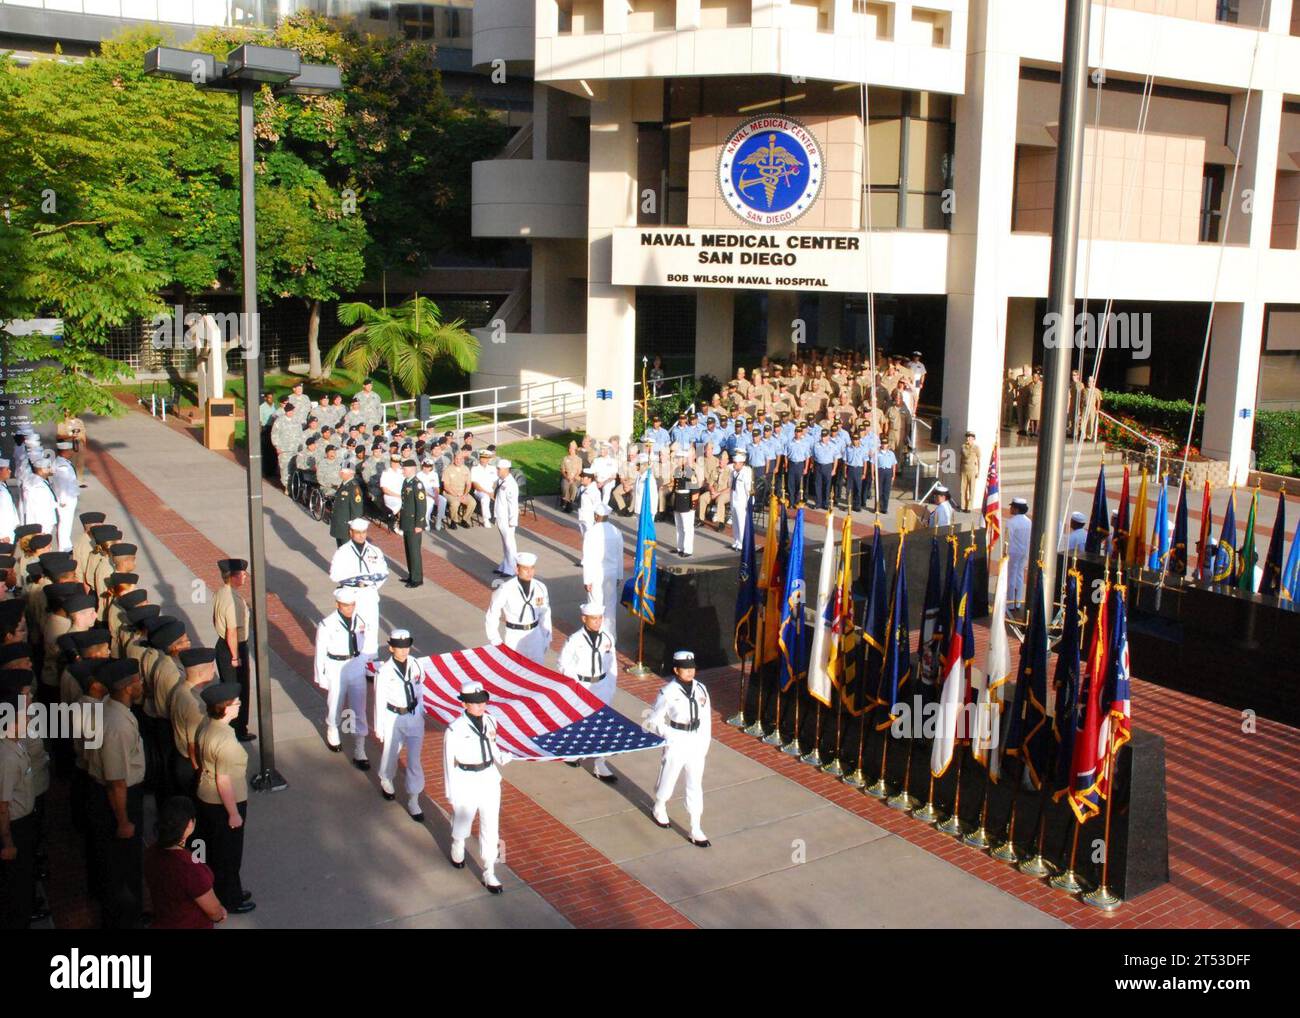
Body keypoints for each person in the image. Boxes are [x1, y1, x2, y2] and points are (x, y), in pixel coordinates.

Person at [86, 658, 146, 929]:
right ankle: (124, 921)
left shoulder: (111, 710)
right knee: (122, 867)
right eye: (138, 681)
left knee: (125, 864)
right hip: (118, 801)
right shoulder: (116, 725)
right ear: (128, 686)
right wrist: (123, 820)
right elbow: (116, 781)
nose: (142, 684)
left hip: (117, 794)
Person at [443, 681, 511, 893]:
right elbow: (448, 763)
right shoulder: (455, 729)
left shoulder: (491, 720)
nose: (481, 706)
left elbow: (493, 746)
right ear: (464, 704)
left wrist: (502, 757)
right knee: (464, 820)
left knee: (491, 825)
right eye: (475, 702)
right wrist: (450, 793)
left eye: (482, 701)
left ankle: (489, 871)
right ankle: (458, 842)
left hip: (489, 777)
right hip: (466, 779)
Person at [194, 681, 254, 914]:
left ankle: (231, 889)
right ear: (225, 708)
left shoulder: (208, 727)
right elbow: (224, 780)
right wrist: (233, 813)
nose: (239, 706)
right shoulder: (226, 740)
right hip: (225, 801)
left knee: (216, 849)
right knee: (229, 854)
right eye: (236, 703)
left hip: (206, 796)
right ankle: (230, 897)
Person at [644, 650, 711, 848]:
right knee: (669, 776)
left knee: (695, 783)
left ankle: (695, 826)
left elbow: (705, 718)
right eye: (685, 668)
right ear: (676, 670)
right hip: (677, 737)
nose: (690, 672)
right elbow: (653, 719)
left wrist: (704, 742)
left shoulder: (701, 689)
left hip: (696, 739)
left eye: (692, 668)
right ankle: (660, 804)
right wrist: (668, 735)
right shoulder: (668, 692)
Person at [144, 795, 226, 929]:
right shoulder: (190, 868)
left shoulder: (150, 852)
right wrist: (221, 914)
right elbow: (213, 910)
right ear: (190, 824)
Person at [557, 603, 618, 782]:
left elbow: (611, 663)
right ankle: (573, 752)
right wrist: (575, 685)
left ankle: (600, 763)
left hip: (602, 684)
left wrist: (611, 684)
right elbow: (563, 664)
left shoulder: (607, 638)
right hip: (582, 684)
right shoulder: (575, 640)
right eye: (594, 618)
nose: (598, 622)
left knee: (602, 724)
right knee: (578, 719)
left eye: (600, 618)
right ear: (584, 619)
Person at [313, 587, 370, 764]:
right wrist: (321, 676)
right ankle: (333, 729)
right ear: (337, 604)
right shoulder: (327, 624)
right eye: (346, 605)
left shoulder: (360, 620)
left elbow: (365, 644)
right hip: (335, 666)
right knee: (335, 702)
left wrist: (367, 665)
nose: (350, 608)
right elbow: (320, 652)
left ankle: (360, 748)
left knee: (359, 707)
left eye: (352, 605)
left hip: (355, 665)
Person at [374, 630, 426, 822]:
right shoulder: (384, 671)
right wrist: (380, 727)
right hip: (393, 717)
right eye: (399, 647)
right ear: (391, 648)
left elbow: (420, 689)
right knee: (390, 753)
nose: (404, 651)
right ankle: (386, 778)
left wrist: (421, 711)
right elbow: (379, 700)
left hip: (413, 717)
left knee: (414, 760)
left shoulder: (416, 664)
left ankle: (414, 798)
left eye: (406, 646)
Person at [0, 685, 37, 929]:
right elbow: (2, 807)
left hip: (22, 820)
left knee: (23, 879)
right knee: (15, 886)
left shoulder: (15, 743)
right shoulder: (6, 756)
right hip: (14, 826)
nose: (30, 718)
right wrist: (7, 842)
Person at [328, 518, 387, 663]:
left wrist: (370, 585)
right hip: (352, 595)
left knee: (372, 627)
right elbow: (334, 575)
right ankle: (355, 657)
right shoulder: (343, 552)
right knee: (355, 628)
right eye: (358, 533)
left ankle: (371, 659)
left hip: (369, 594)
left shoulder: (375, 551)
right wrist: (356, 580)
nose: (361, 535)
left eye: (364, 532)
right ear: (351, 532)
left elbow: (383, 572)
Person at [484, 552, 551, 664]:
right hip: (514, 635)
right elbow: (493, 613)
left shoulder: (540, 587)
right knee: (516, 671)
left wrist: (547, 636)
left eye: (532, 568)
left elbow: (545, 613)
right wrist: (495, 640)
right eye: (525, 568)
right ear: (517, 569)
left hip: (535, 635)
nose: (529, 572)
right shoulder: (506, 589)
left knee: (538, 672)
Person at [212, 559, 253, 742]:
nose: (245, 576)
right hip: (233, 647)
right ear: (234, 577)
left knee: (228, 686)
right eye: (242, 574)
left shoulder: (221, 592)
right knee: (238, 689)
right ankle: (238, 728)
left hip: (222, 645)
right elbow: (232, 631)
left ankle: (232, 725)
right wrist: (236, 656)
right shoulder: (232, 601)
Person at [168, 648, 215, 797]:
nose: (214, 669)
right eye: (211, 666)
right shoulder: (195, 704)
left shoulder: (181, 689)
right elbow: (193, 745)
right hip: (190, 763)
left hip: (179, 756)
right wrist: (200, 773)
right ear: (201, 673)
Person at [581, 503, 623, 633]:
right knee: (610, 605)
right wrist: (619, 575)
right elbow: (620, 555)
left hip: (595, 573)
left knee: (595, 605)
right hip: (611, 572)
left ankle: (596, 633)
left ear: (596, 515)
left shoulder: (591, 532)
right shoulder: (616, 531)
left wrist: (587, 580)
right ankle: (610, 634)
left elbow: (587, 558)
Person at [398, 459, 425, 589]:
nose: (403, 470)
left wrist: (419, 524)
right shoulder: (406, 482)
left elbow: (421, 505)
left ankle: (417, 578)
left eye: (405, 468)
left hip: (414, 522)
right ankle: (411, 574)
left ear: (412, 469)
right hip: (407, 521)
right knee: (408, 550)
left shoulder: (417, 484)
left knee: (414, 551)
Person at [493, 459, 520, 578]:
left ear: (505, 470)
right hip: (500, 516)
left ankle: (511, 568)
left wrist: (513, 520)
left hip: (507, 518)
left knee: (509, 543)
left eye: (498, 469)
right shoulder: (501, 481)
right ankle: (505, 565)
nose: (497, 471)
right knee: (505, 543)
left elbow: (513, 504)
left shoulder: (511, 484)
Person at [670, 451, 699, 558]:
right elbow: (675, 487)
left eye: (679, 458)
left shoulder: (690, 472)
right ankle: (680, 547)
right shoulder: (677, 470)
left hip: (686, 501)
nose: (677, 460)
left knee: (687, 527)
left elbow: (695, 490)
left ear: (684, 459)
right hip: (678, 500)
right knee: (679, 526)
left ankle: (688, 549)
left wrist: (693, 506)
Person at [1006, 497, 1032, 612]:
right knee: (1020, 576)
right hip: (1024, 551)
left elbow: (1008, 539)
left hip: (1013, 552)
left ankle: (1010, 603)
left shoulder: (1011, 522)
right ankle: (1018, 602)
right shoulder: (1028, 521)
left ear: (1016, 509)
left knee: (1011, 577)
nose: (1010, 508)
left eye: (1012, 507)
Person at [441, 449, 474, 529]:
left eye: (460, 459)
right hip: (450, 493)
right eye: (456, 459)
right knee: (455, 503)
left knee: (473, 502)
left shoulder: (466, 469)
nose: (458, 460)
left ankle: (464, 520)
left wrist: (465, 494)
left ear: (463, 460)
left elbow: (468, 484)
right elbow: (446, 486)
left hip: (462, 493)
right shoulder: (448, 470)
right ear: (454, 459)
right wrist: (456, 495)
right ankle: (454, 521)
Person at [729, 451, 754, 551]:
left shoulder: (746, 473)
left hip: (742, 502)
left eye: (735, 463)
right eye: (734, 462)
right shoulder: (733, 473)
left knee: (741, 523)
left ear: (741, 463)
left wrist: (750, 503)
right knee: (735, 522)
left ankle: (743, 543)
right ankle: (737, 541)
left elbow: (749, 490)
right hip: (734, 500)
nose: (734, 464)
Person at [576, 467, 601, 537]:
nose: (581, 478)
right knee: (583, 534)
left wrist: (595, 516)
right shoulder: (582, 487)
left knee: (589, 535)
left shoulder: (594, 491)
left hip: (588, 516)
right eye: (581, 477)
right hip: (581, 513)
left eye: (583, 477)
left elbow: (597, 505)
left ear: (589, 479)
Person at [959, 432, 981, 513]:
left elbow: (978, 460)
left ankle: (969, 507)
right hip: (964, 469)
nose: (968, 439)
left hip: (972, 470)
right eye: (967, 437)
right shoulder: (963, 447)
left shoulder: (976, 447)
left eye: (970, 437)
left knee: (971, 489)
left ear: (973, 439)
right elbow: (961, 459)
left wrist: (978, 471)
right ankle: (963, 505)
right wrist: (959, 470)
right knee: (963, 489)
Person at [559, 441, 583, 513]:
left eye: (572, 449)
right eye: (569, 448)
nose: (570, 450)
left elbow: (579, 471)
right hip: (566, 477)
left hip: (575, 478)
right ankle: (567, 502)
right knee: (564, 486)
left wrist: (573, 478)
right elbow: (562, 470)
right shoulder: (565, 458)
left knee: (573, 487)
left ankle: (569, 504)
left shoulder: (579, 459)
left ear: (575, 449)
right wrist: (567, 477)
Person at [876, 440, 897, 514]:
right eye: (883, 443)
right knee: (879, 490)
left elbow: (894, 464)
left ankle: (884, 508)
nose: (884, 445)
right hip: (880, 471)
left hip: (888, 471)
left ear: (888, 444)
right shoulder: (877, 453)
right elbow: (873, 463)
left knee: (886, 491)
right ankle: (878, 507)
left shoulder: (891, 454)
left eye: (885, 443)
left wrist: (893, 475)